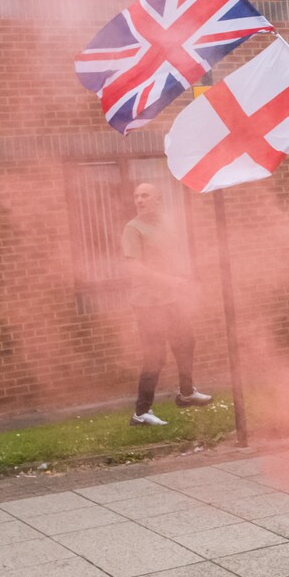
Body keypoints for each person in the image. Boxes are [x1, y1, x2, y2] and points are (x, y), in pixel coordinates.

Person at [121, 183, 211, 427]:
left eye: (145, 195)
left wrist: (187, 280)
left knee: (186, 341)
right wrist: (172, 281)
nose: (139, 200)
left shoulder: (167, 223)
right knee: (155, 356)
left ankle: (186, 393)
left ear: (158, 199)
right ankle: (141, 413)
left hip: (171, 298)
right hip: (147, 303)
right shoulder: (133, 228)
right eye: (136, 196)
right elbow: (135, 269)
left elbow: (173, 258)